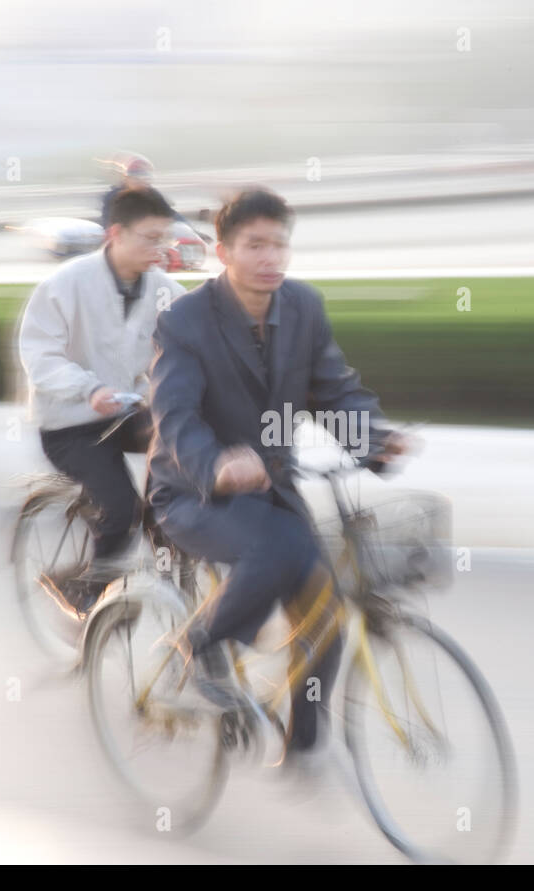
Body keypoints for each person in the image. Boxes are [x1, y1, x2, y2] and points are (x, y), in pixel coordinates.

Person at [145, 187, 412, 765]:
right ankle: (198, 643)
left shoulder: (303, 307)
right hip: (192, 494)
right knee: (280, 546)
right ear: (223, 251)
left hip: (272, 492)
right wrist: (217, 463)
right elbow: (175, 416)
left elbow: (335, 389)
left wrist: (375, 439)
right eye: (255, 245)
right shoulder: (185, 321)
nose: (270, 257)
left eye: (280, 244)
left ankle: (303, 744)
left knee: (327, 613)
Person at [18, 186, 187, 614]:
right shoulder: (64, 284)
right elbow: (40, 355)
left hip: (128, 411)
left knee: (184, 458)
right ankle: (91, 592)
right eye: (150, 238)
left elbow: (194, 347)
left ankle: (166, 541)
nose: (160, 249)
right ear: (116, 233)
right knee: (119, 506)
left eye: (164, 238)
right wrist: (88, 389)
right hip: (70, 422)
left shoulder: (167, 290)